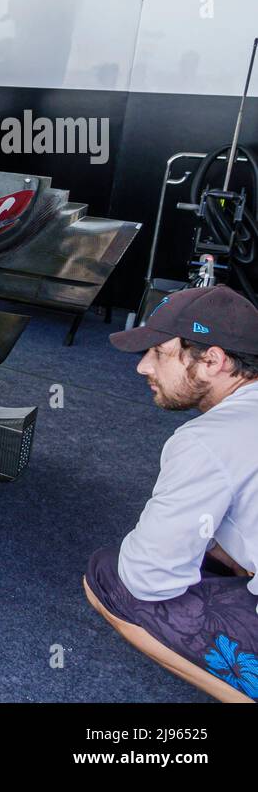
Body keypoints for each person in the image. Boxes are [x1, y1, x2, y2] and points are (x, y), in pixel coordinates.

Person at [85, 286, 258, 702]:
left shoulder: (208, 440)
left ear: (213, 361)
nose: (143, 367)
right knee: (217, 556)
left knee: (107, 579)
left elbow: (148, 578)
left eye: (159, 352)